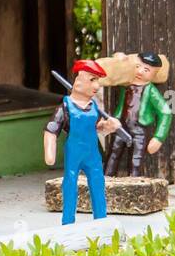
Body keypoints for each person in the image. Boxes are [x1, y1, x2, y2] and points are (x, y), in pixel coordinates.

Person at [44, 60, 121, 223]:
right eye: (92, 80)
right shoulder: (65, 107)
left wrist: (108, 125)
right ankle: (68, 222)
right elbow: (51, 130)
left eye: (97, 81)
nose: (97, 86)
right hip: (74, 152)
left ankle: (101, 220)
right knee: (70, 184)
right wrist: (49, 152)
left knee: (98, 183)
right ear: (78, 82)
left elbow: (98, 127)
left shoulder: (93, 106)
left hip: (92, 153)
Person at [105, 51, 173, 177]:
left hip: (138, 130)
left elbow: (166, 112)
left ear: (155, 73)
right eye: (137, 66)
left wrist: (158, 138)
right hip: (120, 126)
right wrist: (118, 59)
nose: (140, 72)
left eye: (146, 70)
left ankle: (134, 182)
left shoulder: (150, 90)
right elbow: (112, 72)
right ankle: (105, 180)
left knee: (136, 160)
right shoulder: (126, 84)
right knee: (113, 154)